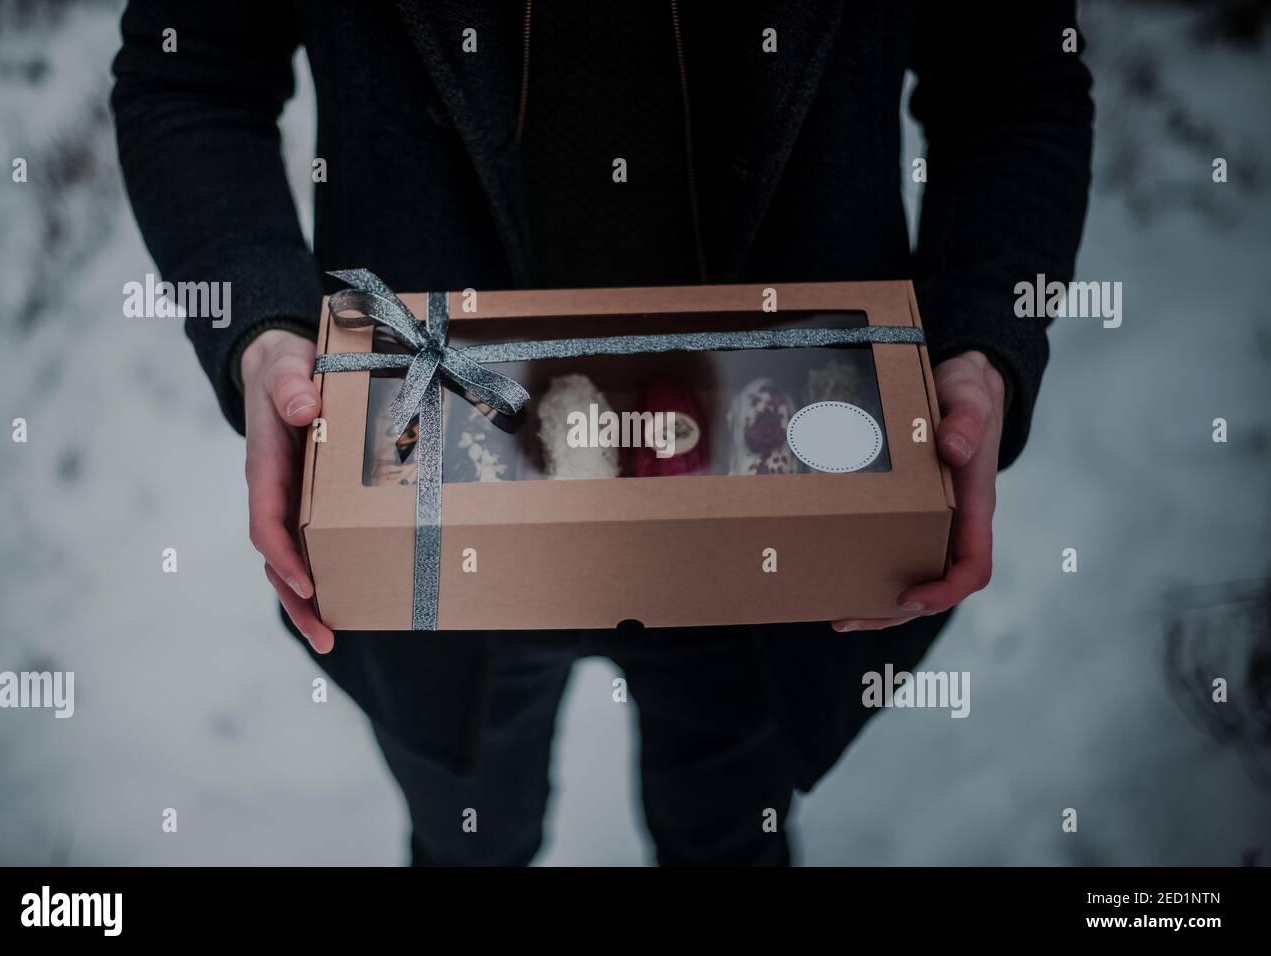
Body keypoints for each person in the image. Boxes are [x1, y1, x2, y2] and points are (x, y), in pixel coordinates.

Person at [111, 1, 1092, 865]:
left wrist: (980, 334)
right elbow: (189, 75)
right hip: (423, 510)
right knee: (466, 834)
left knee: (729, 834)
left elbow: (1011, 87)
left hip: (780, 523)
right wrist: (261, 329)